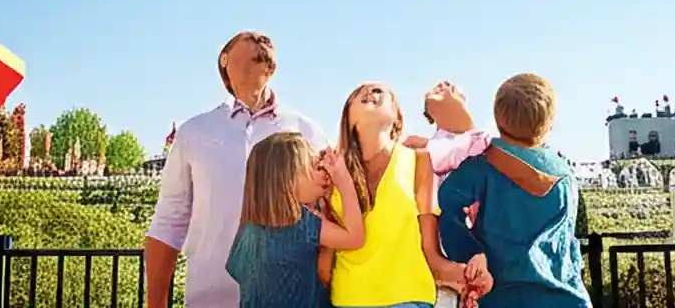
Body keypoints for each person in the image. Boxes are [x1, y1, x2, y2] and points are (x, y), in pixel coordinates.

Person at [145, 31, 329, 308]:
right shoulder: (194, 132)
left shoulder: (307, 131)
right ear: (224, 60)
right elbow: (168, 223)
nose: (262, 41)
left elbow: (327, 213)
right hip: (209, 300)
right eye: (250, 39)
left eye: (266, 42)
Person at [324, 82, 490, 308]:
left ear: (396, 118)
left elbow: (430, 254)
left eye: (379, 91)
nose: (370, 92)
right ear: (348, 115)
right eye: (358, 92)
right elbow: (323, 261)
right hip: (347, 300)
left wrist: (467, 275)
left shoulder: (419, 162)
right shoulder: (330, 170)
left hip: (408, 298)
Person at [437, 73, 591, 308]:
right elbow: (568, 242)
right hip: (566, 298)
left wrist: (471, 253)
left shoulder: (481, 166)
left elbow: (446, 206)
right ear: (549, 125)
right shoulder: (565, 174)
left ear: (497, 117)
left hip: (502, 296)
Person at [226, 133, 365, 308]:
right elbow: (355, 238)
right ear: (288, 179)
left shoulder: (248, 228)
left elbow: (235, 269)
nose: (322, 172)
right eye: (313, 166)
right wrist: (345, 181)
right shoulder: (300, 224)